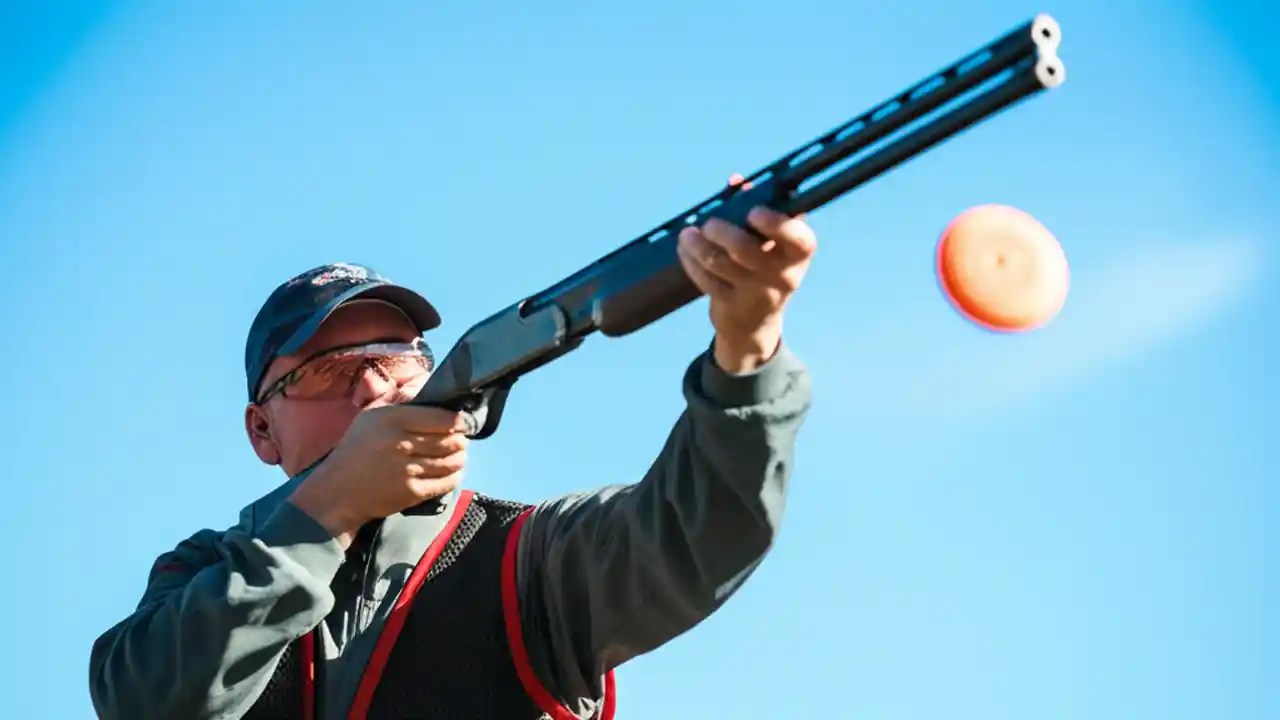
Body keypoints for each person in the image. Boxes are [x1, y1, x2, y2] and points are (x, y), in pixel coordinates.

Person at [88, 199, 818, 719]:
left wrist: (748, 350)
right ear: (261, 431)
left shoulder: (531, 558)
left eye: (395, 358)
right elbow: (146, 701)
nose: (374, 387)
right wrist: (328, 510)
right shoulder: (201, 575)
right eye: (325, 371)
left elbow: (701, 535)